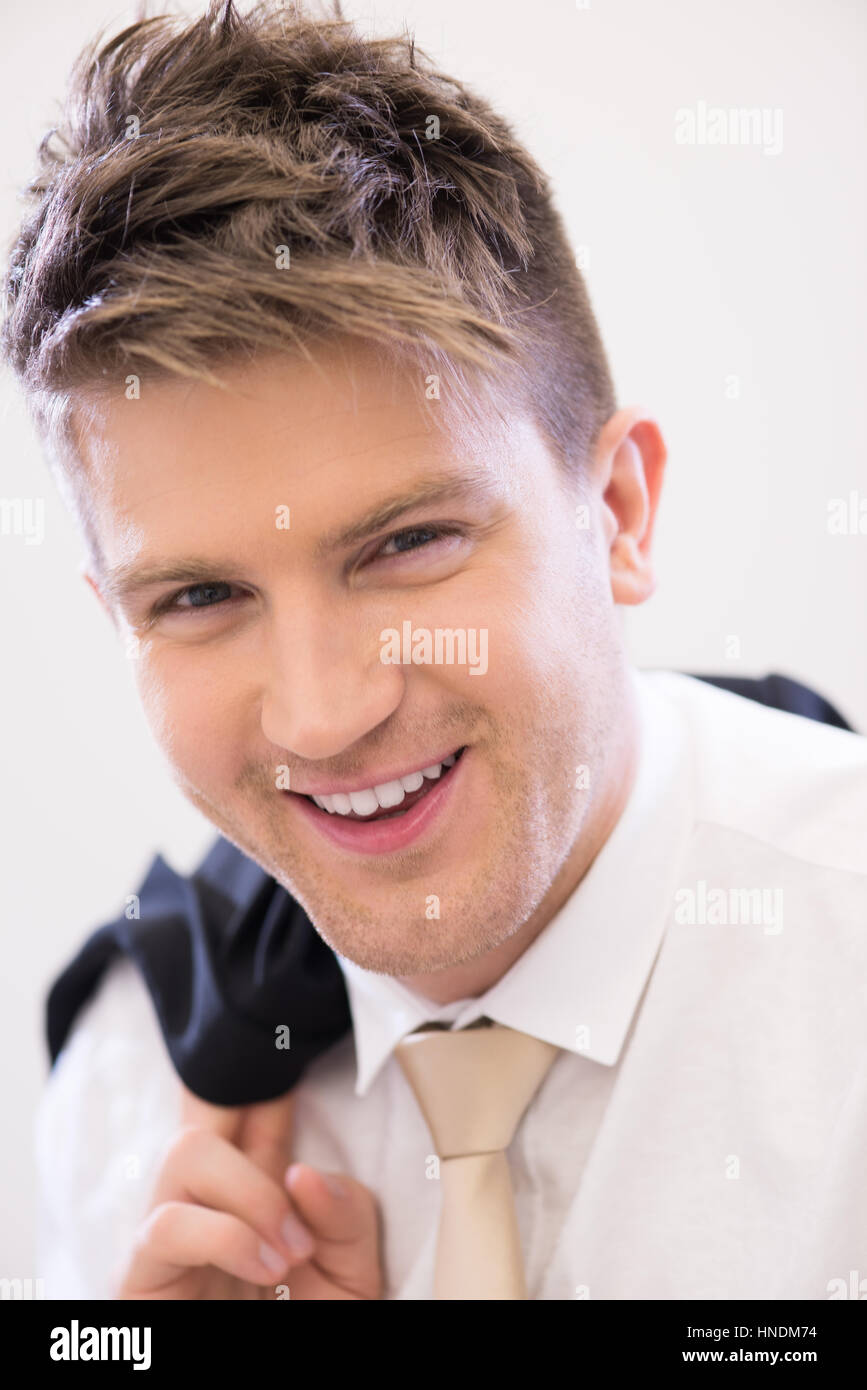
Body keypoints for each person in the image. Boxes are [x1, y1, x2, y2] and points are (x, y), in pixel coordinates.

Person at [3, 0, 865, 1301]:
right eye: (197, 596)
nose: (322, 713)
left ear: (619, 512)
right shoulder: (128, 1079)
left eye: (406, 545)